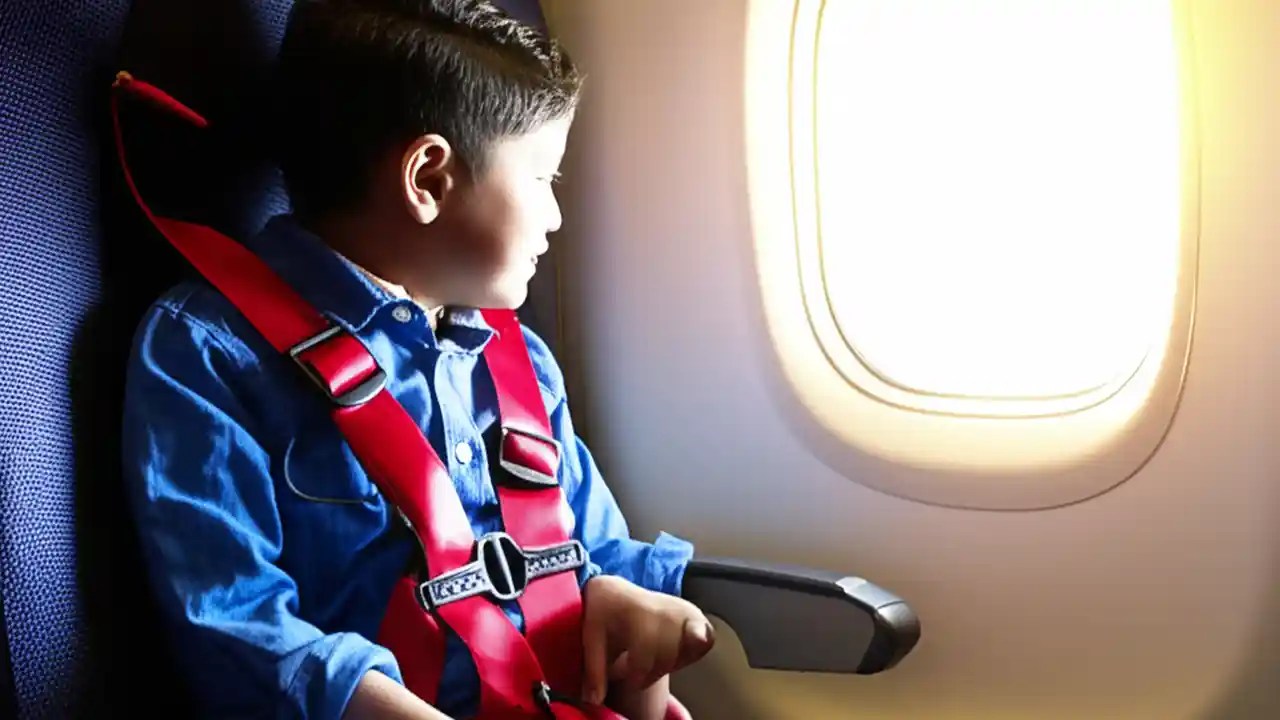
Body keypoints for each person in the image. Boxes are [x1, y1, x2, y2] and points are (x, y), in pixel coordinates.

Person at [120, 1, 714, 718]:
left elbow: (591, 544)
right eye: (542, 180)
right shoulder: (209, 354)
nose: (557, 218)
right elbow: (233, 624)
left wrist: (619, 606)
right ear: (428, 179)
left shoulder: (518, 364)